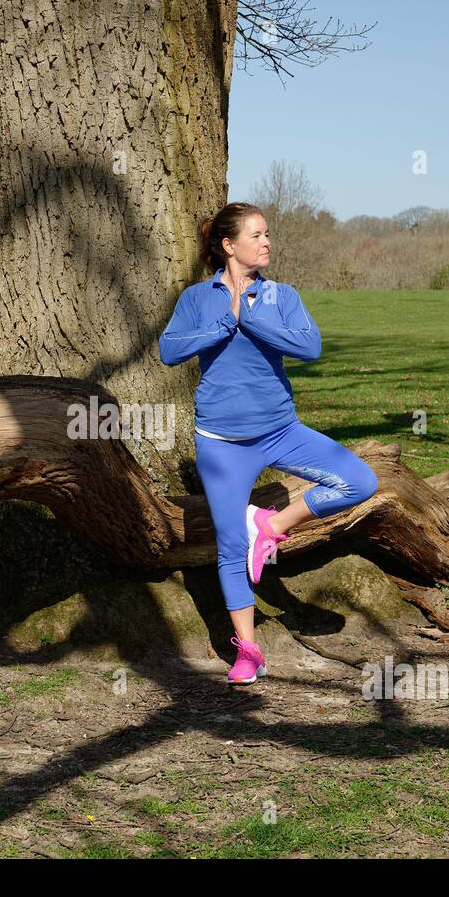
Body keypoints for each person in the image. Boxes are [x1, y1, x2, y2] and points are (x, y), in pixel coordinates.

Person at [159, 202, 379, 684]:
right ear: (228, 245)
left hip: (282, 430)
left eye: (267, 234)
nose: (267, 242)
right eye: (256, 235)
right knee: (231, 546)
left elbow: (310, 347)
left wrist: (252, 320)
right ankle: (248, 650)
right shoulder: (198, 298)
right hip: (220, 443)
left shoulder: (282, 296)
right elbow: (169, 350)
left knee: (359, 480)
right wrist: (222, 325)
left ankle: (273, 524)